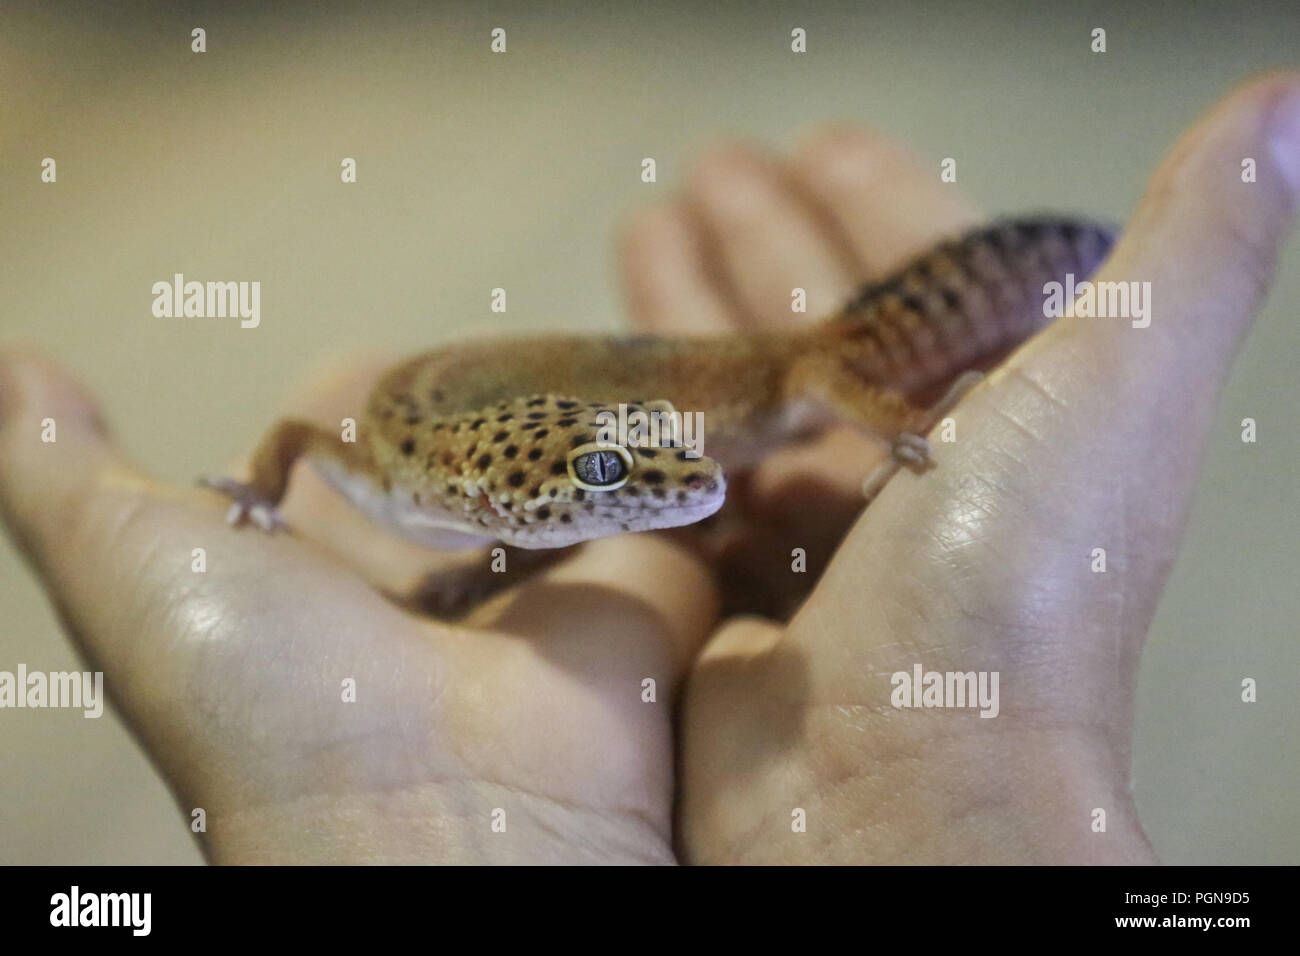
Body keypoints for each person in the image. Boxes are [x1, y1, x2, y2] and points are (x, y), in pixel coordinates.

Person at [1, 73, 1296, 864]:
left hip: (705, 379)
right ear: (510, 498)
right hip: (591, 406)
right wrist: (258, 500)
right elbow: (296, 450)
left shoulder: (629, 443)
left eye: (658, 474)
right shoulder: (388, 472)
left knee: (804, 378)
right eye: (632, 489)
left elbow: (703, 434)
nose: (694, 493)